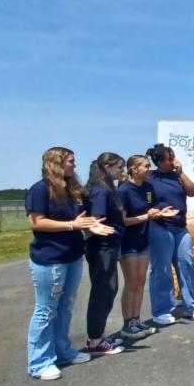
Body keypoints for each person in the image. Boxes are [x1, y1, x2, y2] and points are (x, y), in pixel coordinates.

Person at [24, 147, 114, 381]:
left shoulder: (72, 190)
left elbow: (82, 219)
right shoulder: (40, 190)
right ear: (56, 163)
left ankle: (62, 352)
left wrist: (90, 225)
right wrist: (72, 226)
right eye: (70, 161)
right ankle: (40, 362)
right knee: (46, 310)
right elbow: (37, 222)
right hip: (50, 259)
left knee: (65, 307)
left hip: (73, 256)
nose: (75, 165)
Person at [116, 155, 178, 338]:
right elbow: (122, 221)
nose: (149, 168)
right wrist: (146, 217)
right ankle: (128, 324)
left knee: (140, 281)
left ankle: (136, 319)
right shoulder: (124, 190)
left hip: (143, 239)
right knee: (131, 282)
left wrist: (160, 212)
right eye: (145, 166)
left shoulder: (148, 187)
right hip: (128, 241)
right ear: (134, 169)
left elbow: (152, 208)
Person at [146, 143, 194, 325]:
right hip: (160, 226)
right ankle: (162, 310)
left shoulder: (177, 176)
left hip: (180, 226)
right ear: (160, 162)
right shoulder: (150, 178)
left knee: (186, 263)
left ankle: (190, 306)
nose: (174, 161)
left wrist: (181, 173)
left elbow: (193, 191)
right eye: (170, 159)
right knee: (162, 269)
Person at [81, 152, 127, 356]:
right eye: (119, 167)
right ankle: (95, 340)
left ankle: (98, 335)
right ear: (107, 167)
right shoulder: (101, 190)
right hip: (102, 247)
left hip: (109, 244)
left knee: (109, 289)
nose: (122, 171)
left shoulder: (109, 188)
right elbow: (96, 219)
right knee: (103, 290)